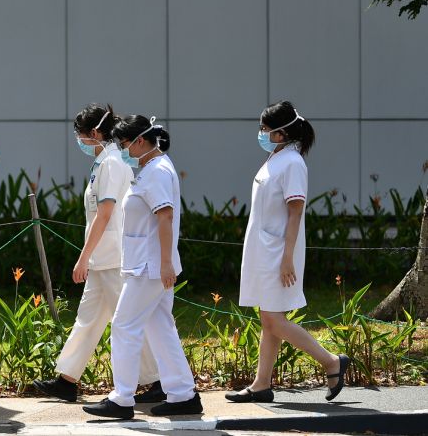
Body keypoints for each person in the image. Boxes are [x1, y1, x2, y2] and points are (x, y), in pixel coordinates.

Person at [33, 104, 162, 403]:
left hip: (115, 258)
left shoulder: (113, 164)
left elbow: (104, 214)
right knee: (88, 320)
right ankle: (67, 379)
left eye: (80, 135)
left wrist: (82, 258)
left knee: (127, 322)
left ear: (93, 133)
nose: (79, 141)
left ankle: (158, 380)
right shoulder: (104, 163)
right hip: (102, 258)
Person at [225, 101, 349, 404]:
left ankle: (332, 362)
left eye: (266, 129)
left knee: (273, 319)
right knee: (269, 319)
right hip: (265, 249)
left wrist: (286, 258)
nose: (261, 133)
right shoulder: (276, 157)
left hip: (280, 251)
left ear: (281, 133)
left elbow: (295, 213)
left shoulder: (293, 163)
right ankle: (261, 385)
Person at [83, 115, 202, 419]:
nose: (123, 150)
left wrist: (164, 263)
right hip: (147, 265)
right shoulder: (152, 168)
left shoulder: (158, 171)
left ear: (140, 141)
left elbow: (165, 217)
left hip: (149, 267)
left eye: (124, 144)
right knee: (160, 328)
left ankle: (122, 398)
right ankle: (183, 394)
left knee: (124, 326)